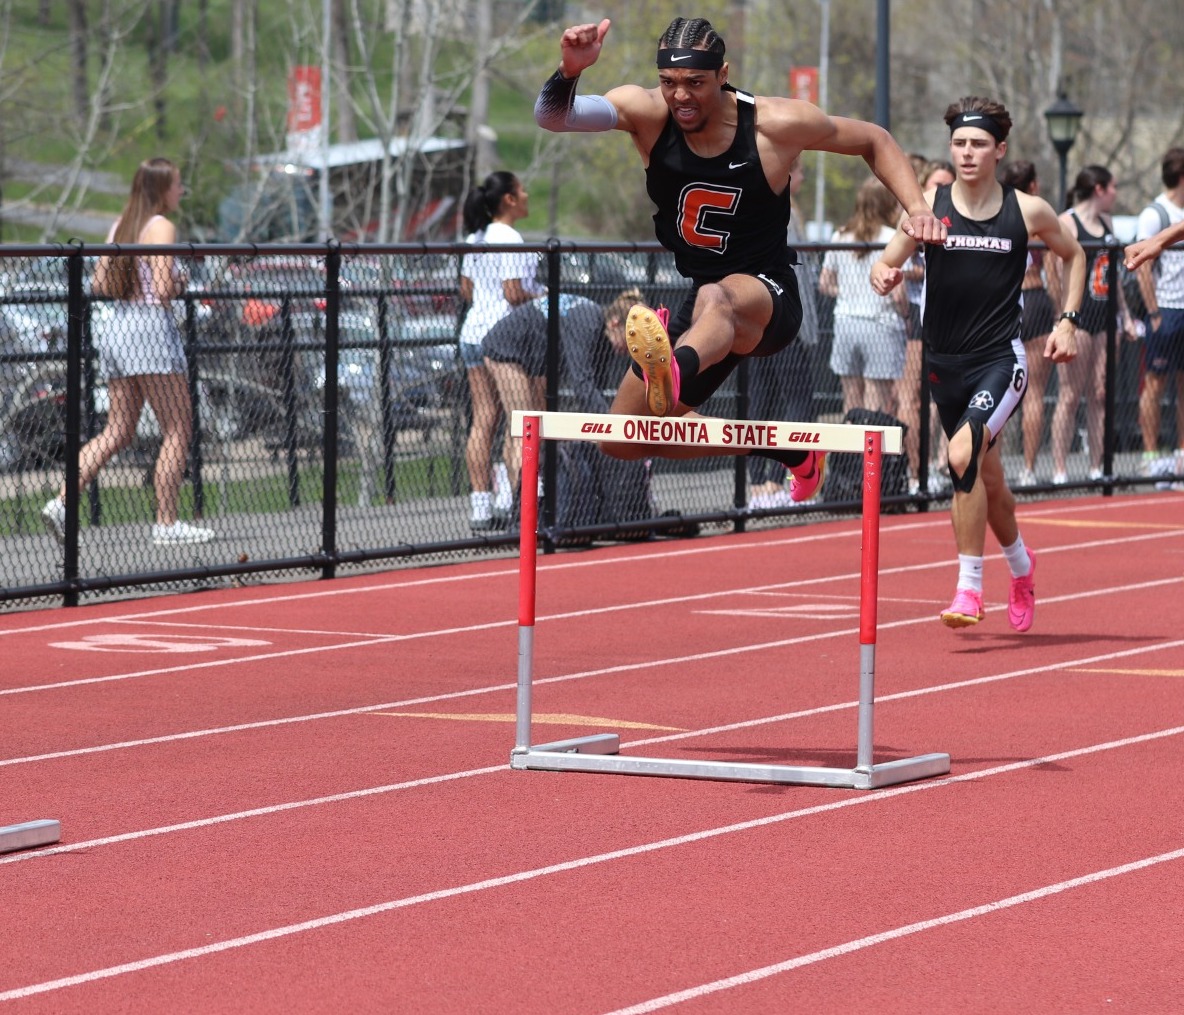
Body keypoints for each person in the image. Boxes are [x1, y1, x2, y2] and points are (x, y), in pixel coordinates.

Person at [534, 16, 945, 502]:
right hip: (703, 308)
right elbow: (553, 117)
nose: (681, 96)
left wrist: (917, 208)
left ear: (722, 74)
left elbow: (873, 138)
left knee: (719, 296)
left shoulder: (775, 124)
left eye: (695, 84)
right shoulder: (645, 111)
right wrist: (568, 69)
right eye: (669, 83)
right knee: (621, 440)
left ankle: (674, 368)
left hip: (766, 296)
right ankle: (783, 452)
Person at [870, 96, 1086, 631]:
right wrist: (885, 275)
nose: (967, 154)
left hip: (999, 360)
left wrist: (1067, 320)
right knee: (987, 482)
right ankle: (1022, 565)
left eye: (979, 144)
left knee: (961, 454)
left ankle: (968, 589)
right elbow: (887, 260)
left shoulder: (1027, 211)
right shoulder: (927, 205)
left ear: (1000, 149)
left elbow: (1075, 254)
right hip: (945, 364)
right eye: (960, 144)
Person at [41, 157, 214, 547]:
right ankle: (167, 524)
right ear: (160, 189)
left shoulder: (122, 223)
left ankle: (62, 502)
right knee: (177, 427)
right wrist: (179, 281)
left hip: (117, 326)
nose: (180, 192)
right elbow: (165, 287)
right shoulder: (160, 226)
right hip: (151, 327)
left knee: (117, 429)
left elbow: (101, 281)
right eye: (177, 185)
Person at [482, 288, 654, 530]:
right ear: (615, 323)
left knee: (538, 432)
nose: (631, 349)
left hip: (536, 355)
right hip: (509, 348)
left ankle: (535, 507)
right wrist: (611, 428)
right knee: (524, 432)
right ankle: (524, 515)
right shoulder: (587, 323)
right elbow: (582, 383)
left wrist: (610, 422)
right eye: (631, 339)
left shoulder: (603, 338)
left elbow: (596, 387)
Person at [458, 171, 543, 530]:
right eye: (521, 190)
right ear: (508, 199)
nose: (526, 195)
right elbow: (513, 292)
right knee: (518, 420)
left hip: (472, 332)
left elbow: (467, 290)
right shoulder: (509, 236)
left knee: (483, 418)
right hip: (503, 338)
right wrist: (542, 294)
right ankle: (514, 501)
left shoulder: (475, 237)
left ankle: (481, 506)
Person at [1046, 165, 1140, 484]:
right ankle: (1059, 468)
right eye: (1113, 187)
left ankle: (1096, 466)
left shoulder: (1107, 222)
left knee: (1100, 394)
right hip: (1078, 317)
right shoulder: (1066, 222)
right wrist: (1063, 320)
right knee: (1070, 395)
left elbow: (1112, 275)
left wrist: (1125, 315)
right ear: (1099, 189)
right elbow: (1058, 276)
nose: (1116, 194)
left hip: (1106, 315)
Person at [748, 153, 819, 509]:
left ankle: (766, 481)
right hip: (779, 324)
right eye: (801, 171)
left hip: (766, 324)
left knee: (769, 400)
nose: (803, 178)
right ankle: (775, 479)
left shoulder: (777, 209)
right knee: (789, 402)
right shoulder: (778, 212)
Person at [819, 176, 909, 418]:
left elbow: (825, 284)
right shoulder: (892, 238)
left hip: (846, 322)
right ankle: (868, 455)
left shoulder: (841, 236)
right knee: (876, 398)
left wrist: (849, 293)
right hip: (881, 323)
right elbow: (899, 294)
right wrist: (907, 316)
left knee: (851, 397)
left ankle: (849, 455)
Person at [898, 160, 955, 494]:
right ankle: (916, 470)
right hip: (919, 316)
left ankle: (942, 463)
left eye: (946, 184)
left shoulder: (963, 216)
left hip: (957, 319)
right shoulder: (913, 214)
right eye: (935, 184)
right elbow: (894, 261)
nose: (941, 191)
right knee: (911, 400)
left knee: (944, 401)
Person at [998, 160, 1057, 486]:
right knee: (1032, 393)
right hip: (1032, 299)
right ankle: (1029, 469)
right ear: (1032, 186)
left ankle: (1000, 467)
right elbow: (1053, 271)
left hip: (1006, 302)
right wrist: (1061, 310)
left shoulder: (999, 212)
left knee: (996, 388)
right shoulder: (1034, 215)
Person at [1130, 147, 1184, 487]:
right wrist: (1153, 313)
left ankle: (1181, 456)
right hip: (1163, 309)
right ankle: (1151, 458)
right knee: (1155, 384)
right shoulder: (1155, 213)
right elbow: (1142, 268)